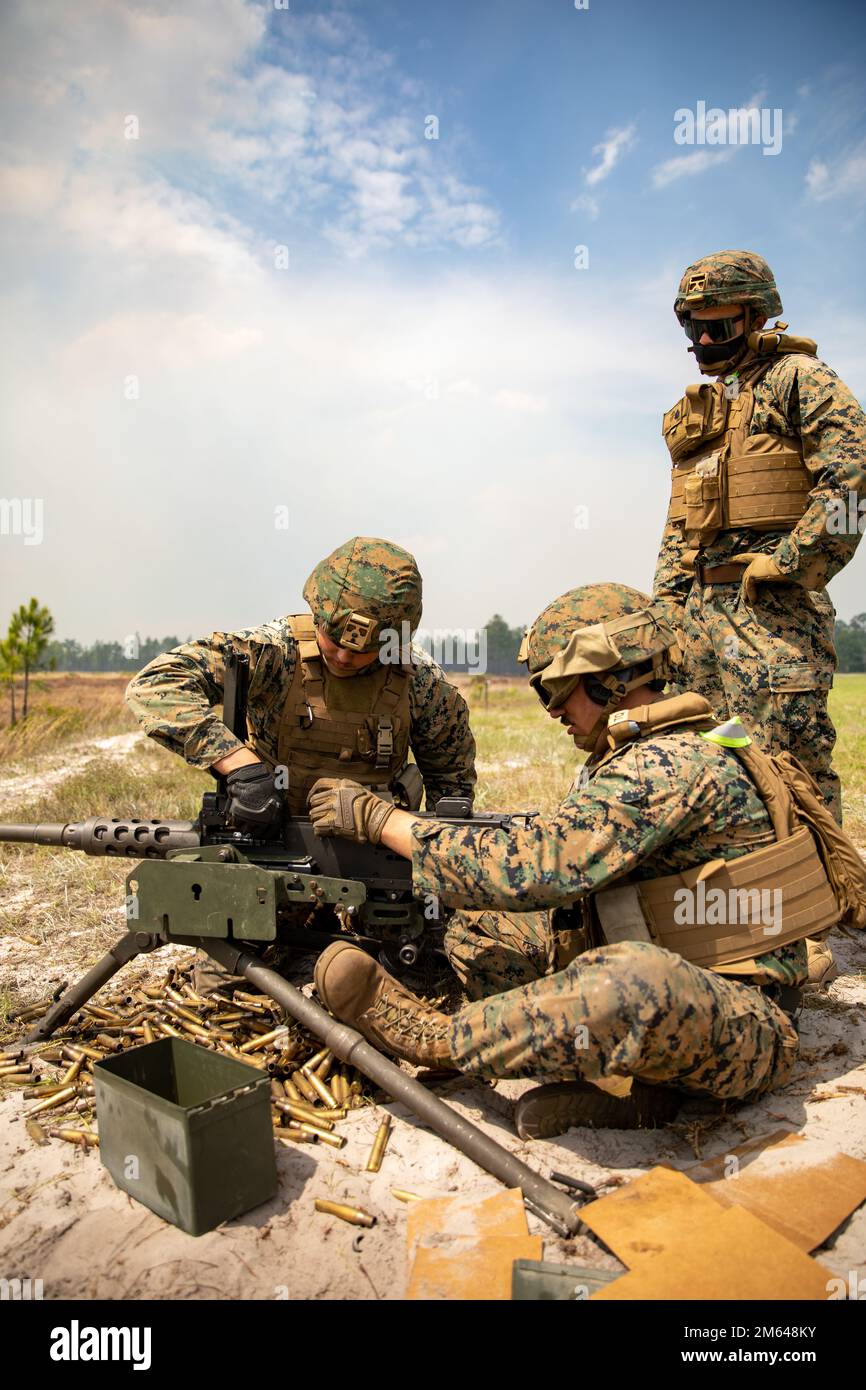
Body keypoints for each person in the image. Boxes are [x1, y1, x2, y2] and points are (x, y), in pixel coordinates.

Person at [303, 584, 861, 1137]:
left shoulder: (668, 763)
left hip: (739, 1020)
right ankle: (631, 1085)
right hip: (689, 983)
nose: (553, 713)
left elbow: (540, 868)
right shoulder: (673, 746)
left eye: (556, 690)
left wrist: (384, 822)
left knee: (627, 986)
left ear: (605, 676)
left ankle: (437, 1040)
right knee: (482, 928)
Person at [126, 535, 476, 990]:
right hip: (273, 860)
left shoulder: (422, 684)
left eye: (364, 648)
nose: (345, 656)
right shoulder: (273, 652)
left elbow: (453, 795)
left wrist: (434, 884)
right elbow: (156, 685)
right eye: (335, 638)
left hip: (378, 867)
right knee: (226, 988)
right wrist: (240, 767)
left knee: (408, 980)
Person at [653, 250, 866, 985]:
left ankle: (817, 919)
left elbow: (852, 478)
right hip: (701, 619)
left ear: (756, 311)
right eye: (694, 326)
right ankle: (750, 920)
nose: (705, 339)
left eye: (718, 324)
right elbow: (681, 525)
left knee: (789, 767)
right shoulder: (701, 412)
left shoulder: (800, 380)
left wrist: (794, 559)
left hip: (771, 617)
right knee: (716, 766)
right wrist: (665, 615)